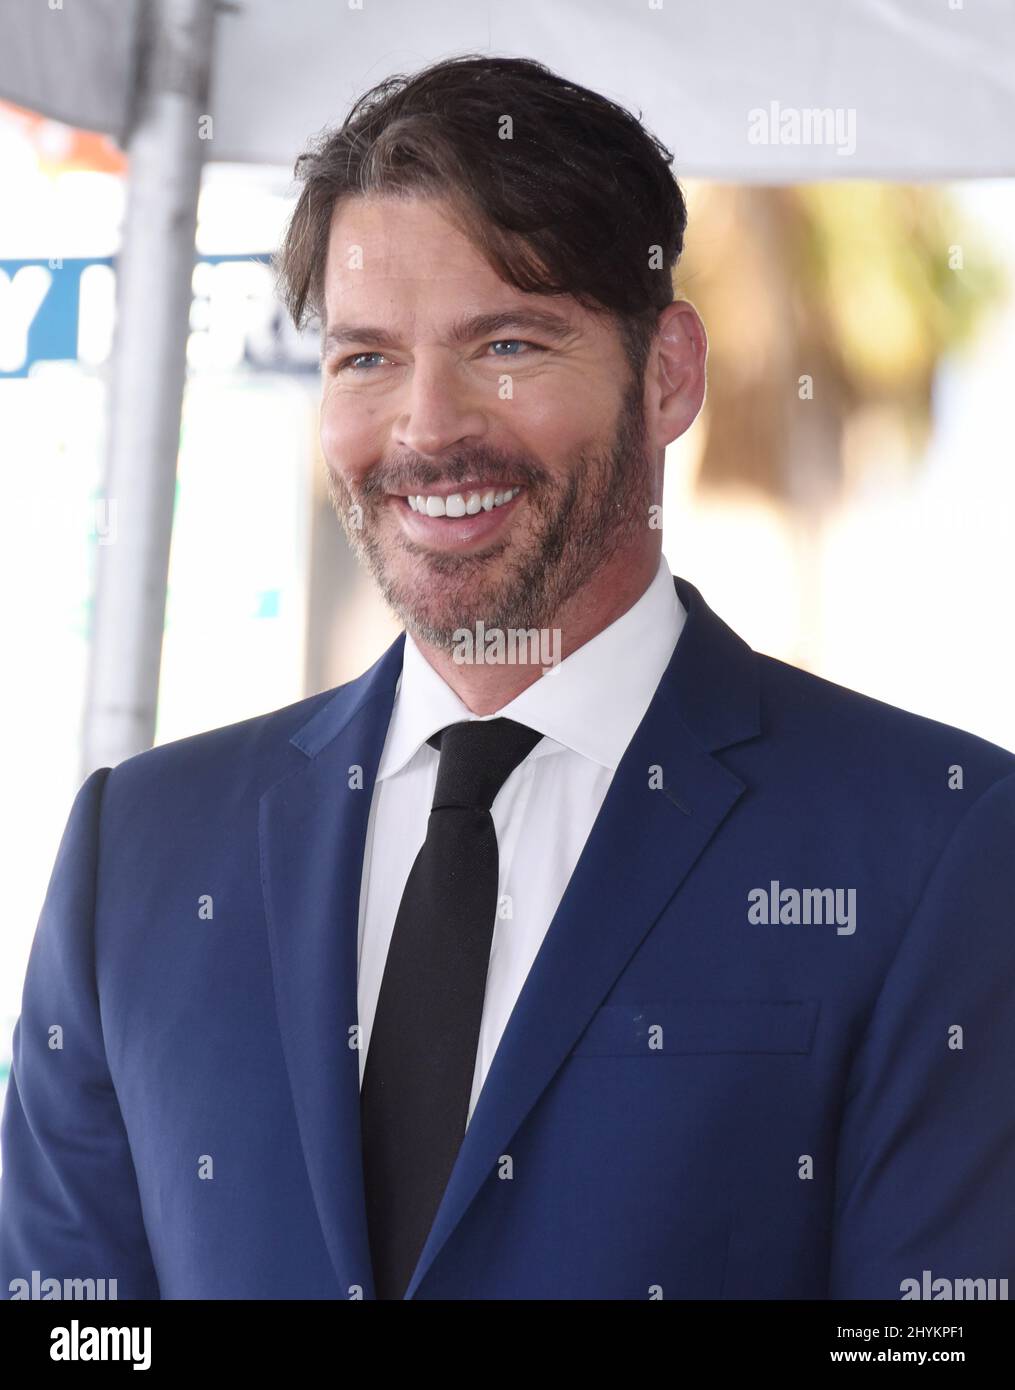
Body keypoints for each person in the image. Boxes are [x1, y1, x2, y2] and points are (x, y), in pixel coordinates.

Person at [2, 53, 1014, 1302]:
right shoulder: (139, 851)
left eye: (508, 343)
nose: (428, 428)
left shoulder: (936, 843)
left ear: (669, 374)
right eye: (365, 358)